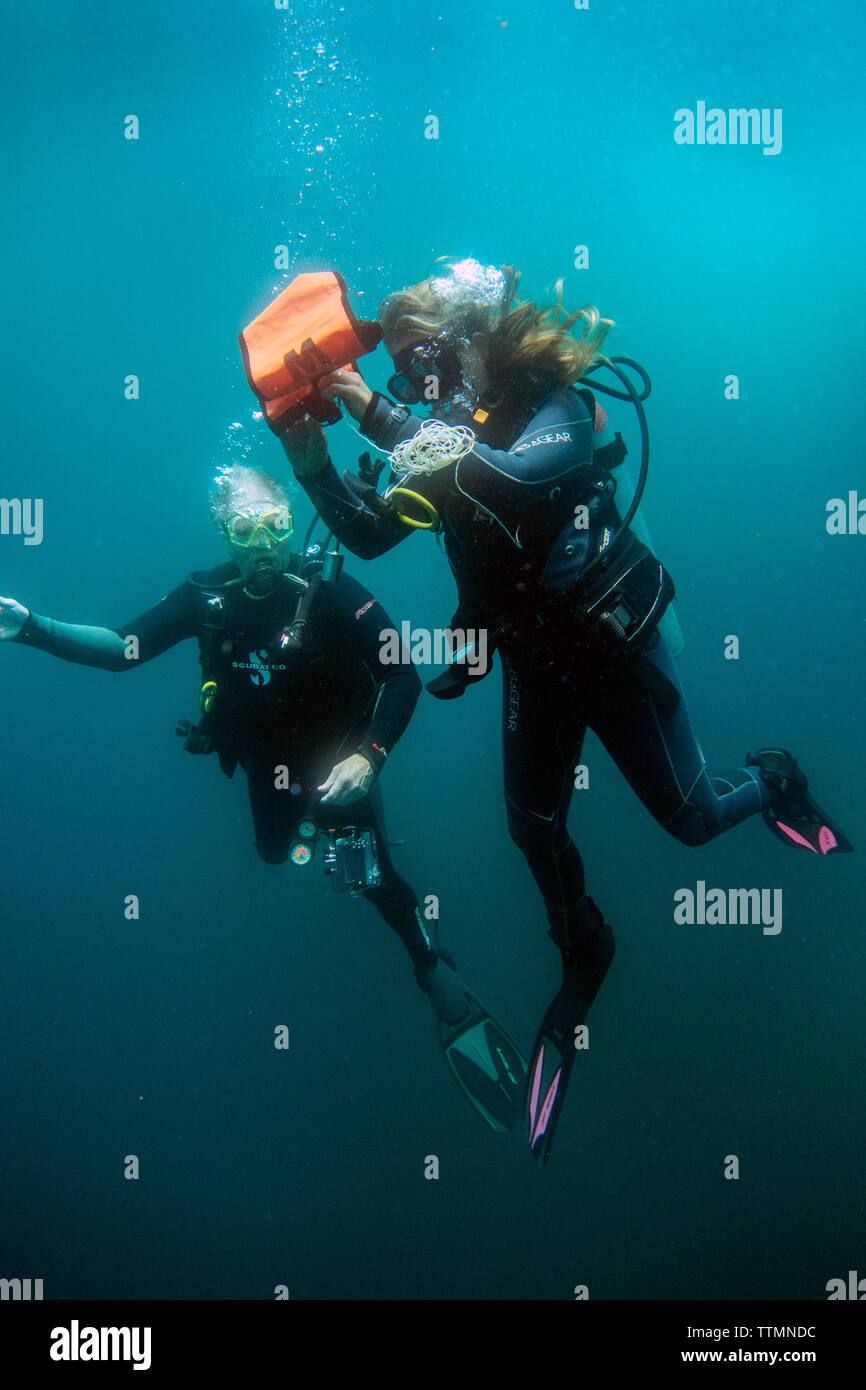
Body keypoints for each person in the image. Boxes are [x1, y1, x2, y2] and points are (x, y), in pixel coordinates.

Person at [273, 256, 854, 1166]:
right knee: (530, 828)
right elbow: (373, 533)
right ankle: (584, 949)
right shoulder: (435, 424)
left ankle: (775, 779)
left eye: (423, 355)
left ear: (468, 338)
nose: (411, 378)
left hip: (610, 647)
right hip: (534, 663)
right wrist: (307, 458)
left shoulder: (556, 403)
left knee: (692, 820)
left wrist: (376, 412)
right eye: (398, 365)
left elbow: (507, 482)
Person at [0, 461, 527, 1132]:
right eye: (244, 528)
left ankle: (431, 973)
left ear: (288, 527)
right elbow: (123, 649)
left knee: (365, 880)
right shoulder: (205, 598)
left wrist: (369, 759)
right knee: (273, 855)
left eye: (274, 525)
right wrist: (31, 627)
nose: (262, 543)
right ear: (225, 533)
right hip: (264, 765)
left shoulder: (331, 590)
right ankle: (332, 843)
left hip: (340, 765)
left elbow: (402, 675)